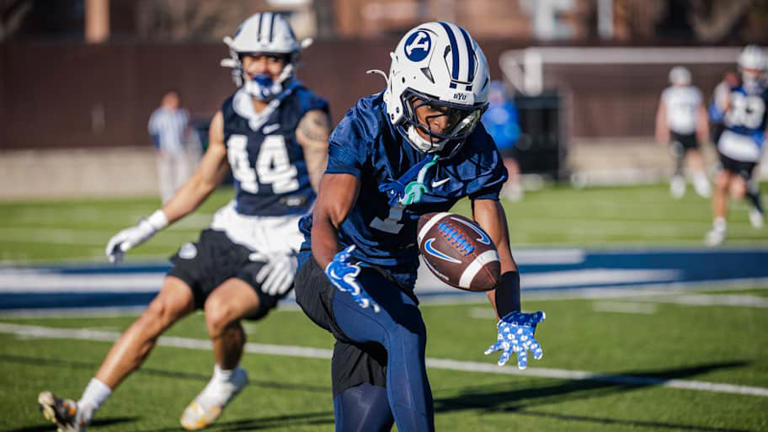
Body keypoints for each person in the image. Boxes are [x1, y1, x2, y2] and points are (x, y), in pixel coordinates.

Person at [38, 12, 330, 431]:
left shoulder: (309, 113)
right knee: (161, 308)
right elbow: (201, 182)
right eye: (254, 58)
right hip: (234, 226)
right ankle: (82, 411)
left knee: (218, 311)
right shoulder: (227, 114)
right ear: (238, 60)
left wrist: (305, 246)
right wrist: (148, 226)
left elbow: (326, 189)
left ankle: (225, 380)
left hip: (281, 238)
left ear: (291, 61)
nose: (262, 67)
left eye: (272, 58)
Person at [293, 22, 545, 431]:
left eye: (459, 113)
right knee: (406, 329)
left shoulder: (476, 149)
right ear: (403, 91)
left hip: (392, 282)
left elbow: (497, 250)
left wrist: (509, 315)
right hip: (331, 270)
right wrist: (333, 264)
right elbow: (326, 217)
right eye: (436, 109)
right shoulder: (366, 125)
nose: (445, 125)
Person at [706, 45, 768, 246]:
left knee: (738, 192)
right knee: (721, 182)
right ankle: (719, 227)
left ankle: (753, 195)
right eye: (748, 69)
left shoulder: (765, 91)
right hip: (729, 142)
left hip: (750, 146)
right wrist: (722, 107)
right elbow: (714, 114)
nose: (751, 73)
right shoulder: (728, 87)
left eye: (754, 69)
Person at [655, 66, 711, 199]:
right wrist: (661, 129)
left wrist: (703, 127)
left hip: (691, 128)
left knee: (695, 154)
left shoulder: (694, 93)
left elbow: (700, 111)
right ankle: (678, 181)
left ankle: (700, 180)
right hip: (676, 129)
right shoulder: (669, 94)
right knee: (678, 156)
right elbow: (663, 112)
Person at [149, 90, 195, 203]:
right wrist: (158, 148)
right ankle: (167, 199)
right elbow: (154, 132)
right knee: (166, 175)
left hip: (180, 148)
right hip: (165, 149)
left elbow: (187, 130)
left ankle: (180, 197)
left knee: (183, 174)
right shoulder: (159, 115)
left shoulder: (182, 114)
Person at [482, 80, 524, 201]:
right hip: (493, 141)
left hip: (506, 141)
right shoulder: (488, 108)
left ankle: (515, 185)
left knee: (510, 162)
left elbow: (513, 123)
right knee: (495, 164)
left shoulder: (509, 107)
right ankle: (502, 186)